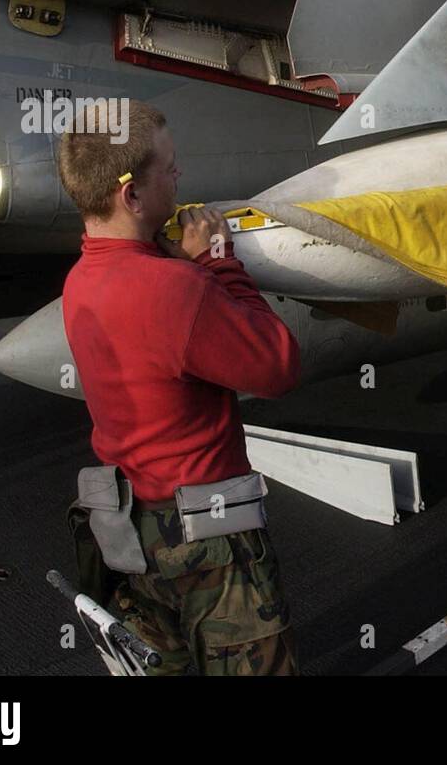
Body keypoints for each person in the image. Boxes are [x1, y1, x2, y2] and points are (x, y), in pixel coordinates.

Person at [58, 100, 302, 674]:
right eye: (168, 168)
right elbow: (278, 366)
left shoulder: (80, 281)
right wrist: (219, 264)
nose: (179, 175)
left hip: (130, 535)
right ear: (130, 196)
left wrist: (169, 257)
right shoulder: (175, 290)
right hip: (211, 543)